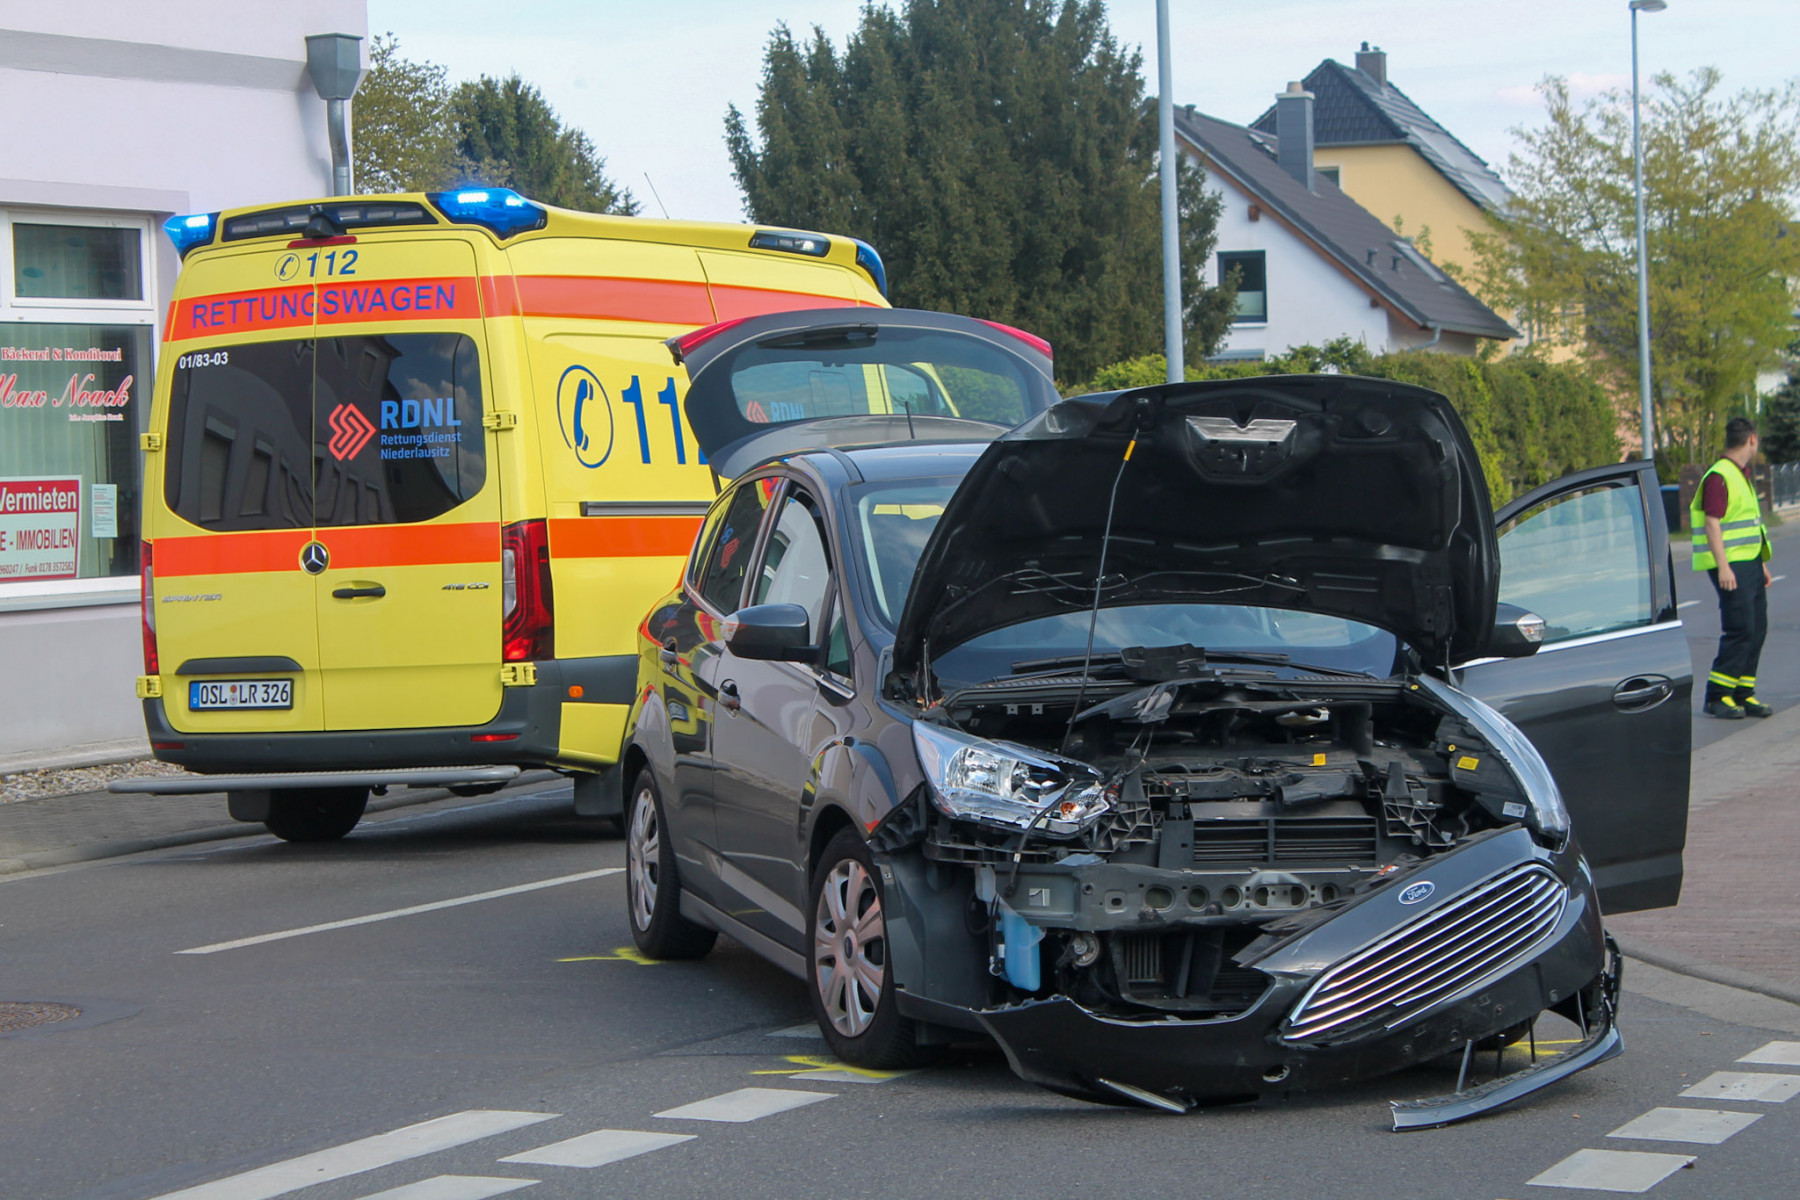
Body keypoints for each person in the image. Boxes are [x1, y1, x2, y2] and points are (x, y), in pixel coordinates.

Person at [1690, 416, 1774, 719]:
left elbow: (1748, 525)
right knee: (1740, 629)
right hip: (1730, 565)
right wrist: (1724, 568)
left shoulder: (1740, 473)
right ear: (1752, 439)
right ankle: (1717, 696)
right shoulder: (1720, 476)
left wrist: (1760, 564)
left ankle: (1743, 693)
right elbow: (1712, 524)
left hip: (1748, 562)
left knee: (1757, 628)